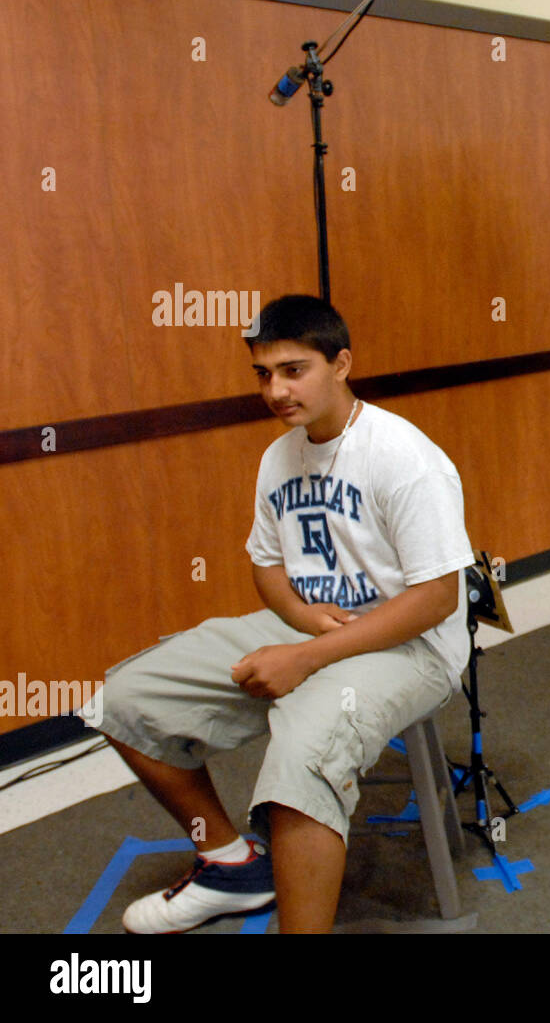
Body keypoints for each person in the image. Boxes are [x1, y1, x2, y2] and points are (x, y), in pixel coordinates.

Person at [77, 295, 475, 933]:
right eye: (264, 374)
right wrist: (302, 619)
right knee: (124, 697)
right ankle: (233, 865)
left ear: (341, 363)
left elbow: (436, 599)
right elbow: (265, 565)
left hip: (413, 645)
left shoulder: (405, 457)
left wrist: (308, 657)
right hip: (314, 625)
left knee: (301, 758)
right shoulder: (279, 458)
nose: (276, 390)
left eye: (294, 370)